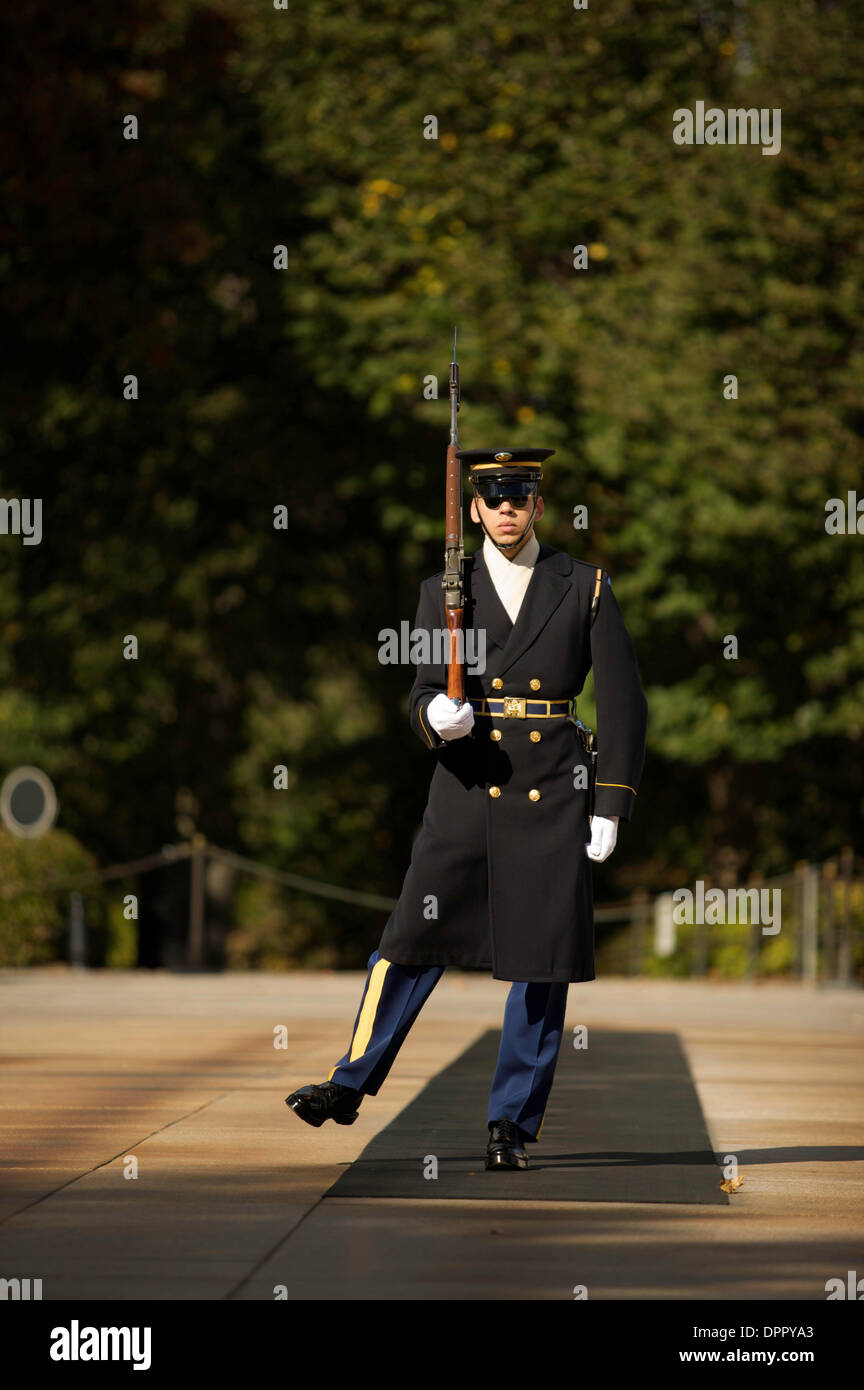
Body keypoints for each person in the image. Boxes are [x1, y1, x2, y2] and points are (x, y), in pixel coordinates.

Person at [286, 448, 647, 1169]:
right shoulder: (444, 591)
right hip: (467, 784)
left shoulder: (585, 586)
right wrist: (435, 718)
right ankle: (349, 1081)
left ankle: (509, 1124)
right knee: (406, 944)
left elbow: (623, 701)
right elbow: (421, 691)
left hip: (550, 786)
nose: (507, 508)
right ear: (474, 509)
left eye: (521, 496)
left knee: (540, 966)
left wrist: (611, 801)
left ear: (539, 506)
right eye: (493, 497)